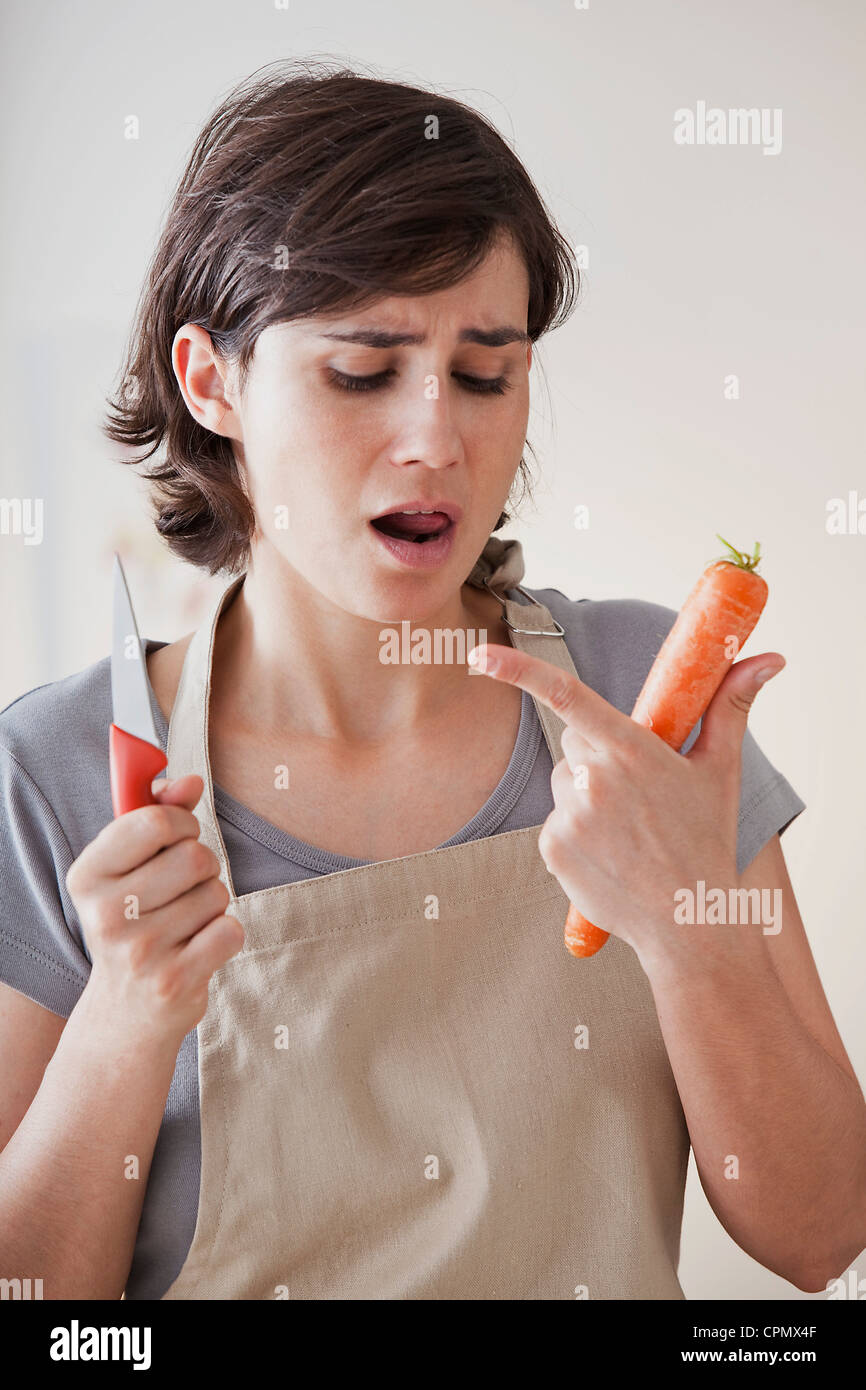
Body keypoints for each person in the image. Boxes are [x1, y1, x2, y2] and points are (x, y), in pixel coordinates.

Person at [1, 58, 863, 1301]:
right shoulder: (60, 775)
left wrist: (688, 930)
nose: (435, 440)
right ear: (212, 382)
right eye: (362, 371)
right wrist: (121, 1034)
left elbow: (823, 1230)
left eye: (483, 373)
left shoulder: (646, 697)